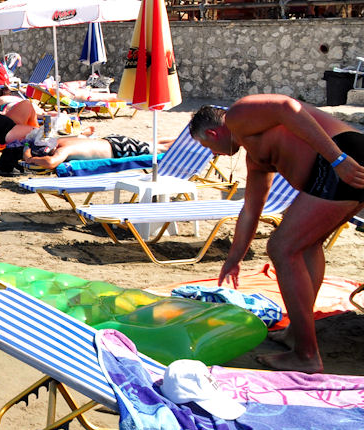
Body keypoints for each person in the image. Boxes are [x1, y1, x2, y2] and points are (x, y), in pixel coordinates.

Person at [188, 95, 364, 372]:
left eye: (207, 146)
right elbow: (250, 210)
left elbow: (287, 107)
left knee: (282, 248)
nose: (213, 154)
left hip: (341, 154)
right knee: (307, 245)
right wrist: (235, 257)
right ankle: (297, 333)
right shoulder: (256, 158)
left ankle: (306, 355)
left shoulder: (238, 115)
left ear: (212, 133)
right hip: (336, 165)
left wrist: (338, 159)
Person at [22, 131, 173, 170]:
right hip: (112, 141)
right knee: (152, 143)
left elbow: (50, 163)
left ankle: (191, 142)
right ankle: (187, 137)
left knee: (158, 148)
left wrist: (30, 158)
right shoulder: (62, 140)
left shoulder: (63, 150)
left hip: (117, 148)